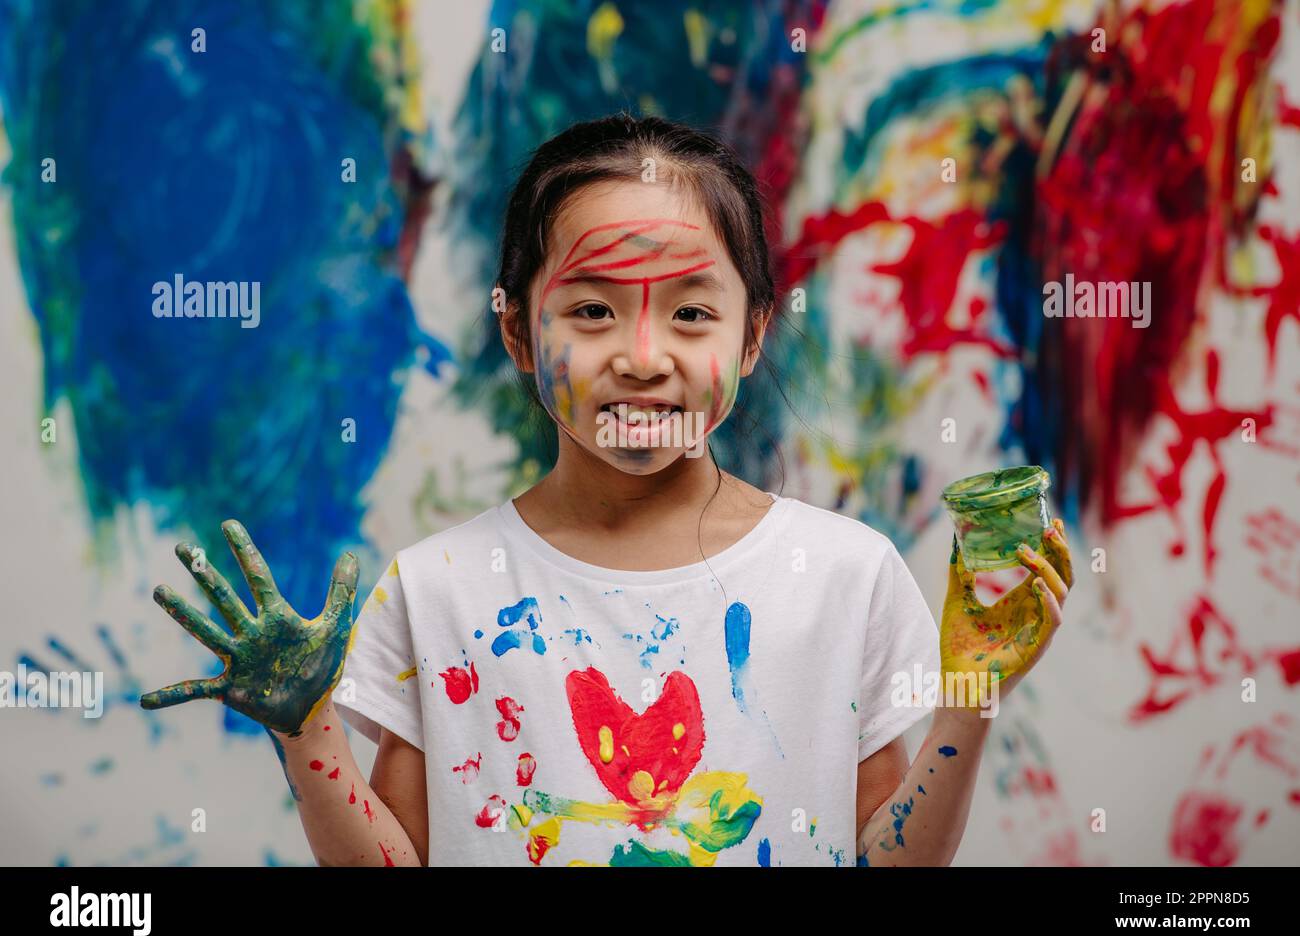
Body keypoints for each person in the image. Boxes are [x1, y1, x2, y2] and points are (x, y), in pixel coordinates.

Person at [140, 113, 1072, 867]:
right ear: (515, 333)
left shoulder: (844, 576)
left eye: (693, 313)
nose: (641, 356)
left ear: (750, 338)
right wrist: (308, 737)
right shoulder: (438, 589)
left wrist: (968, 702)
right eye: (591, 310)